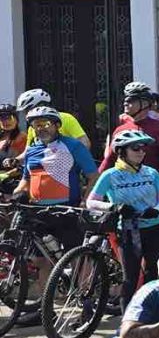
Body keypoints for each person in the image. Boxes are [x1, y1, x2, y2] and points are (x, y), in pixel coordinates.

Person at [87, 129, 159, 304]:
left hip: (156, 227)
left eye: (143, 148)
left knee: (153, 274)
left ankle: (149, 311)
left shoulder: (151, 173)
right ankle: (127, 318)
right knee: (130, 279)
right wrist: (114, 207)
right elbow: (91, 202)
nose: (141, 152)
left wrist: (156, 210)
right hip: (128, 231)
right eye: (135, 148)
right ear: (121, 151)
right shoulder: (109, 175)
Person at [15, 106, 96, 251]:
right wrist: (16, 193)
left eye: (45, 124)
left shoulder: (73, 146)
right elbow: (26, 179)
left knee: (73, 256)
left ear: (57, 125)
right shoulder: (31, 150)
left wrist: (85, 201)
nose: (41, 128)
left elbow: (94, 176)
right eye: (36, 125)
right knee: (38, 258)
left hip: (66, 210)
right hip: (37, 211)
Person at [17, 88, 89, 148]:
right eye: (24, 112)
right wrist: (16, 159)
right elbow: (28, 151)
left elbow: (85, 143)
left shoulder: (66, 118)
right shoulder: (32, 127)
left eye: (27, 110)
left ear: (40, 105)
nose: (26, 114)